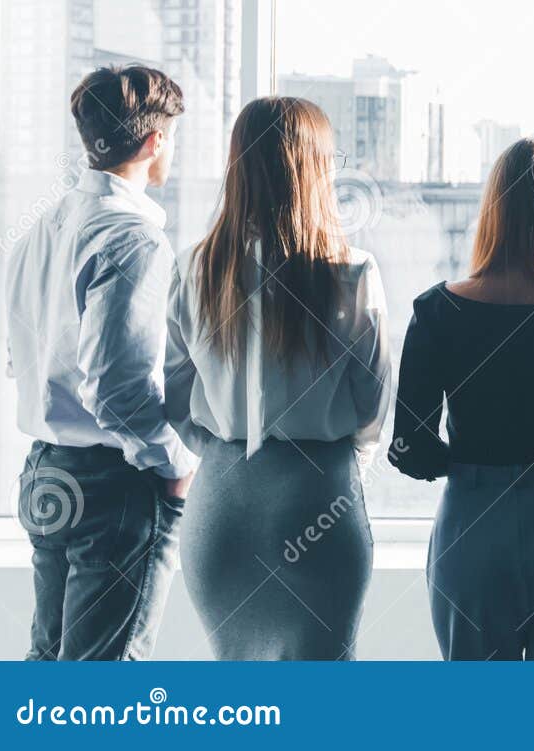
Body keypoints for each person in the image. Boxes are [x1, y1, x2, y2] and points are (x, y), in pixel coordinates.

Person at [164, 97, 391, 660]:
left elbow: (173, 393)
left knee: (242, 694)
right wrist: (339, 465)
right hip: (318, 496)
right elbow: (372, 403)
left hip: (222, 506)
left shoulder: (194, 267)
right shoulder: (352, 272)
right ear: (316, 169)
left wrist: (222, 451)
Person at [389, 138, 534, 661]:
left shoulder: (435, 312)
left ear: (493, 210)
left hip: (472, 528)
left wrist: (472, 467)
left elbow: (410, 450)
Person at [1, 65, 196, 660]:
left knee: (49, 661)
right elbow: (118, 389)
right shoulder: (132, 237)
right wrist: (173, 466)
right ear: (155, 141)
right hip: (110, 483)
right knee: (103, 681)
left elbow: (17, 356)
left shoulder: (40, 229)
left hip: (45, 469)